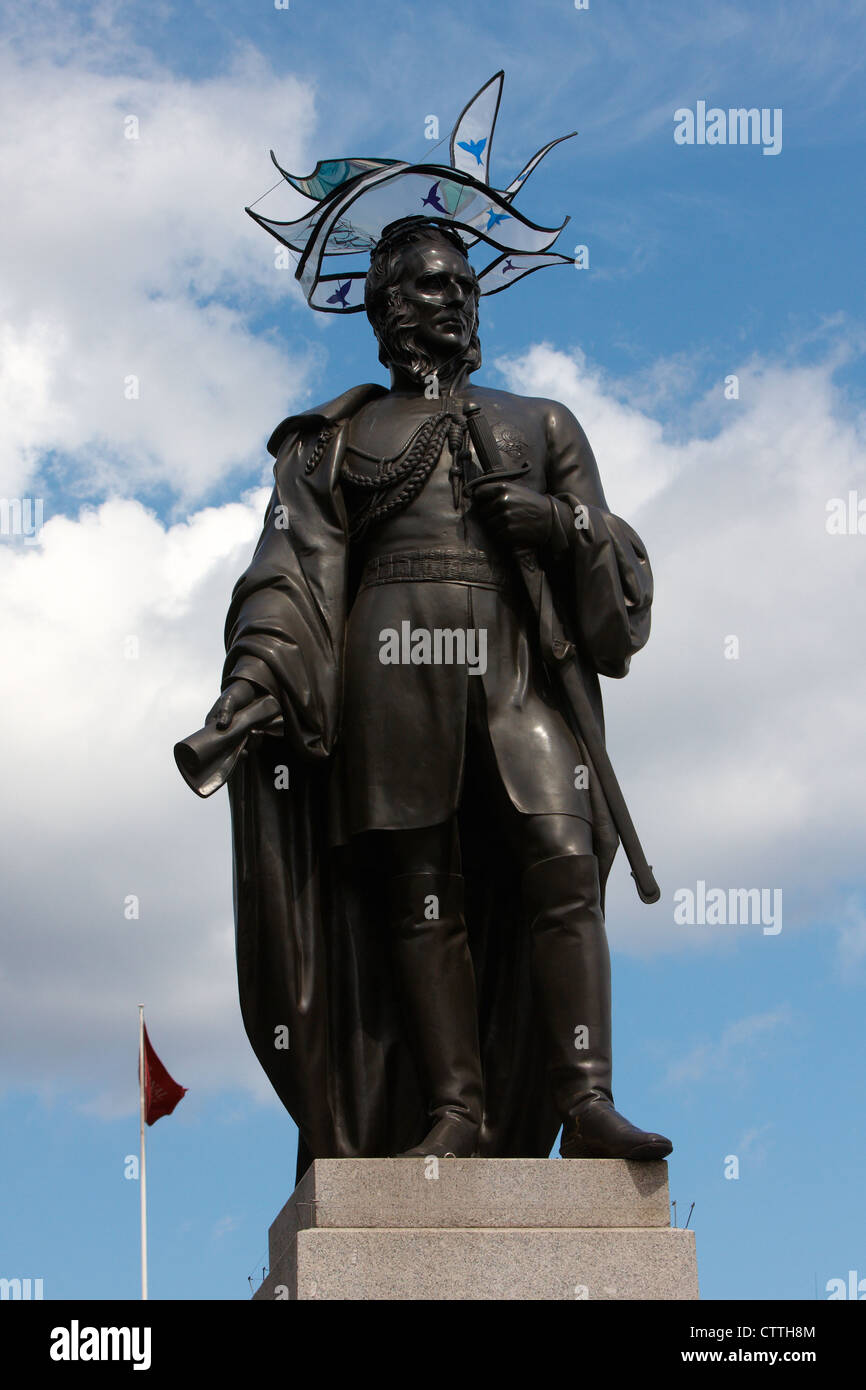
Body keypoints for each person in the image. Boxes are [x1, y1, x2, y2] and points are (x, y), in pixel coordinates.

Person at [203, 217, 672, 1168]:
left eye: (463, 284)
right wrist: (256, 678)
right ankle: (455, 1111)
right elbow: (290, 574)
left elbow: (613, 563)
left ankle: (586, 1098)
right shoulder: (335, 438)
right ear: (381, 308)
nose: (453, 299)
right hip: (390, 661)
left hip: (516, 660)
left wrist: (556, 521)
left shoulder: (543, 422)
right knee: (421, 891)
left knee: (563, 860)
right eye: (428, 286)